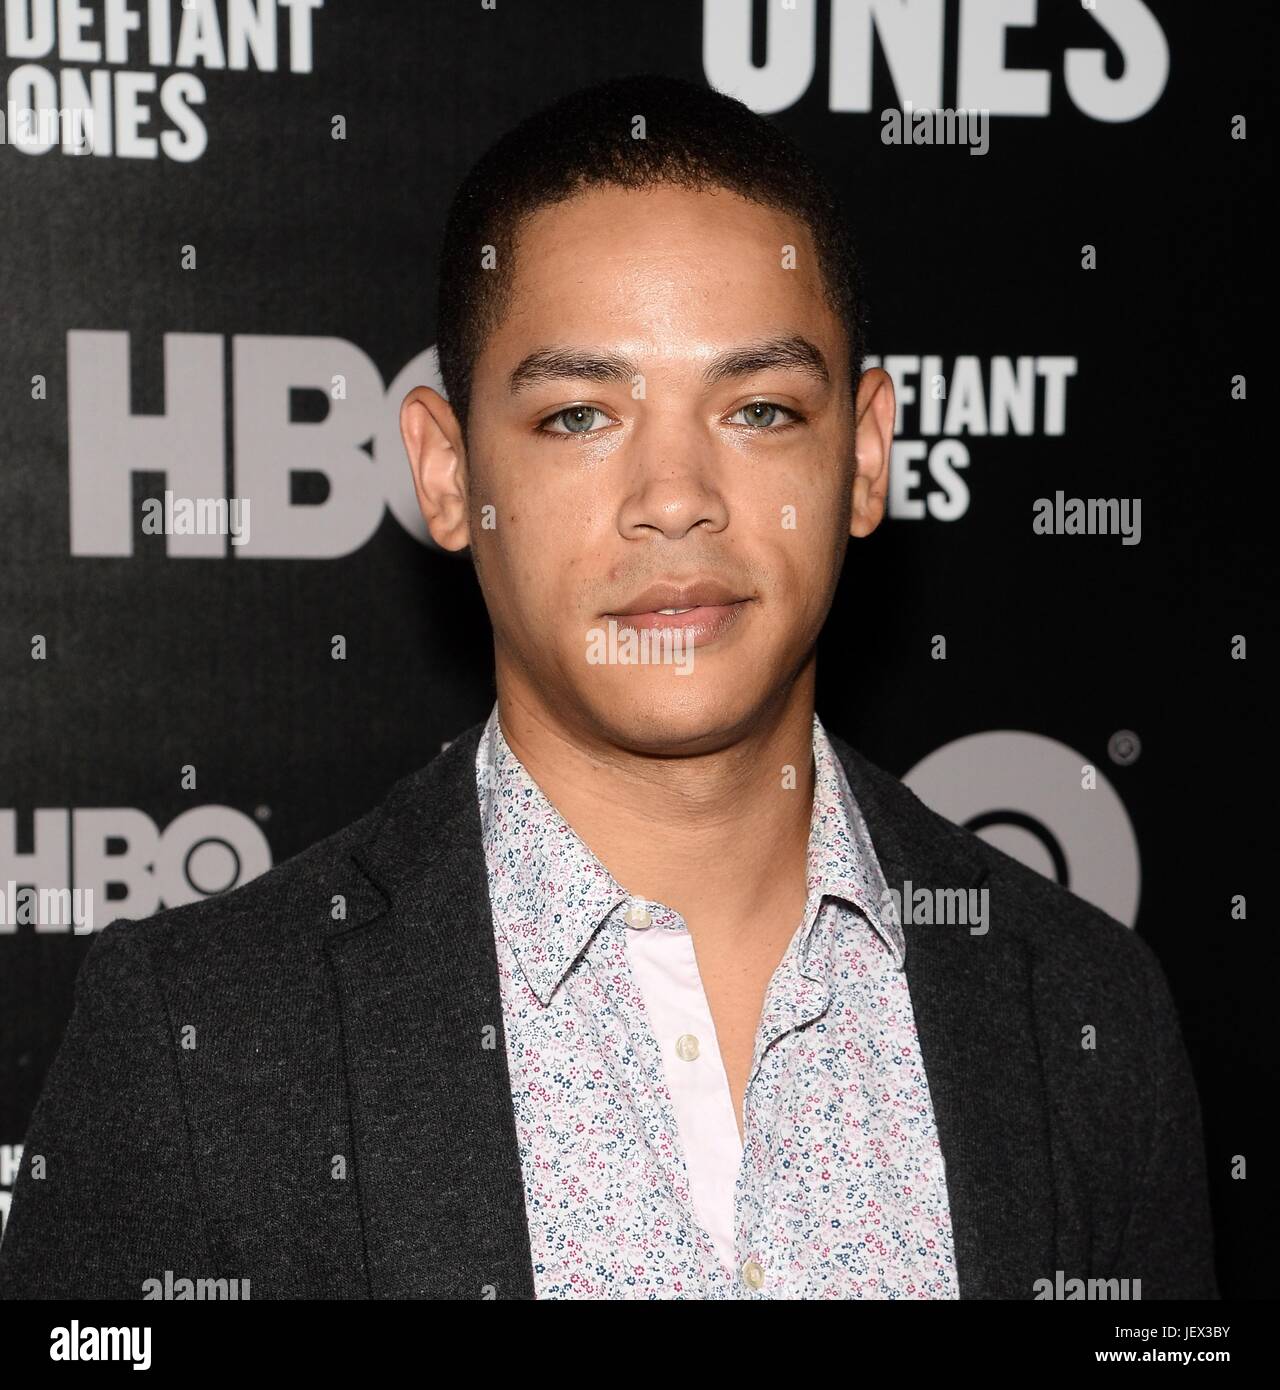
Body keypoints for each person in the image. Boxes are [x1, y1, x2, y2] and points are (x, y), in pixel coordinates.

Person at [0, 74, 1215, 1300]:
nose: (674, 494)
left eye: (756, 407)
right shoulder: (196, 1042)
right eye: (579, 414)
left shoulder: (1082, 1013)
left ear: (860, 455)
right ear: (442, 470)